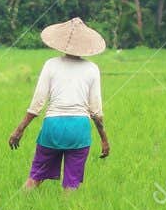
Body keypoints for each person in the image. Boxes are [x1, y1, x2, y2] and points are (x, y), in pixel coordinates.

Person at [8, 17, 110, 191]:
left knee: (35, 177)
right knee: (71, 185)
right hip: (79, 130)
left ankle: (17, 206)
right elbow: (96, 111)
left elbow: (38, 102)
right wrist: (104, 139)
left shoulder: (51, 65)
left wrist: (20, 129)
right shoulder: (92, 69)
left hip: (53, 126)